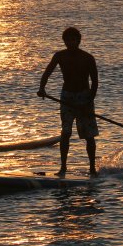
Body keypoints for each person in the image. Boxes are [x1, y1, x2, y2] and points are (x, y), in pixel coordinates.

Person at [37, 26, 99, 176]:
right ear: (64, 41)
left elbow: (95, 82)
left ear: (78, 41)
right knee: (65, 133)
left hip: (84, 98)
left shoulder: (88, 58)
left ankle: (92, 169)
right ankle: (63, 168)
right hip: (67, 98)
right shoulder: (59, 56)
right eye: (67, 40)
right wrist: (42, 88)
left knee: (89, 136)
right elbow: (47, 72)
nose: (70, 43)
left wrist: (89, 101)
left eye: (73, 40)